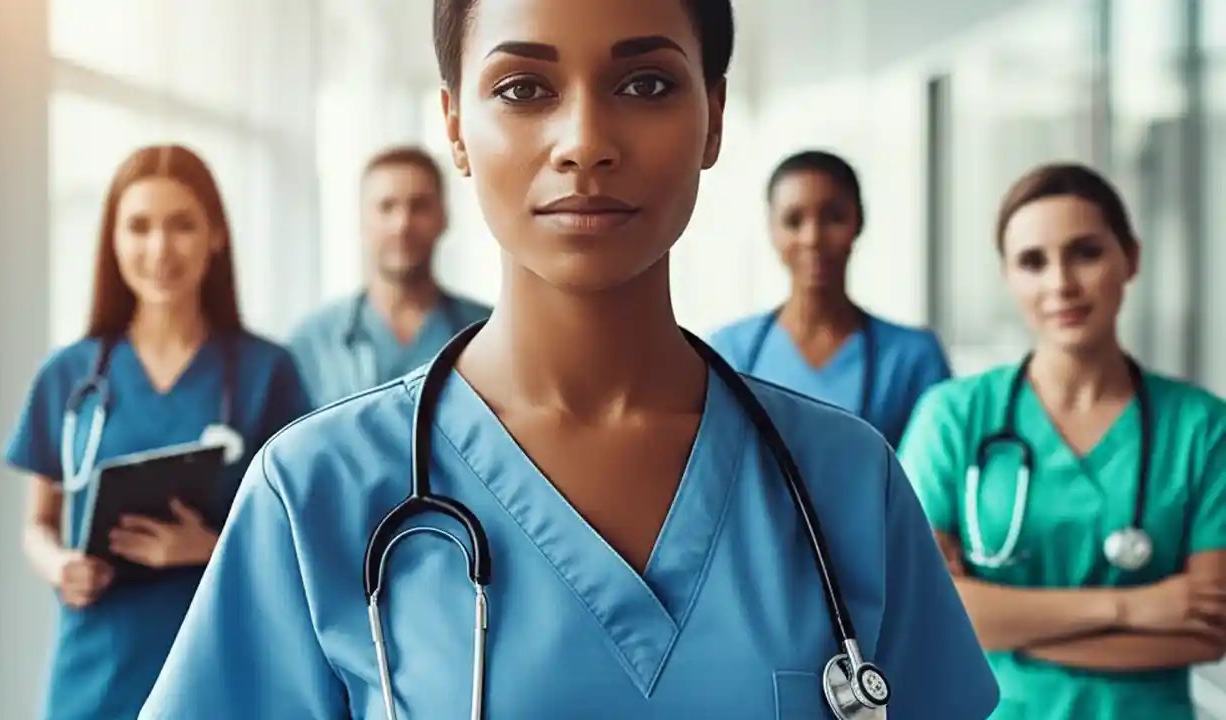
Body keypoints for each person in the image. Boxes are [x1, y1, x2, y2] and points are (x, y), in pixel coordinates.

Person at [141, 1, 997, 718]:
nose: (584, 140)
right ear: (455, 127)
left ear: (715, 117)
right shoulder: (315, 493)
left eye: (647, 83)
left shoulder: (848, 481)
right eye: (523, 88)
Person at [898, 162, 1226, 720]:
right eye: (1033, 262)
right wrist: (1138, 605)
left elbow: (1209, 631)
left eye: (1086, 252)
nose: (1061, 284)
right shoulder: (954, 418)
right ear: (1008, 277)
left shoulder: (1201, 428)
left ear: (1132, 258)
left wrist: (1004, 627)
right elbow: (926, 612)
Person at [5, 144, 311, 720]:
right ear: (113, 240)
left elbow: (300, 538)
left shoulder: (267, 373)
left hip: (219, 665)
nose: (159, 249)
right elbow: (37, 525)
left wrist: (208, 548)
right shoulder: (70, 375)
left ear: (216, 236)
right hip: (95, 672)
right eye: (138, 227)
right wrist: (59, 566)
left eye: (182, 226)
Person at [709, 151, 951, 447]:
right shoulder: (730, 351)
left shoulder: (913, 357)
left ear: (858, 222)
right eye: (793, 221)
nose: (812, 238)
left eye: (833, 218)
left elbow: (931, 476)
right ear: (772, 229)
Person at [289, 146, 491, 406]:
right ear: (362, 220)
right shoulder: (312, 342)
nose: (402, 224)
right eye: (386, 207)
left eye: (418, 207)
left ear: (443, 217)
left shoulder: (487, 333)